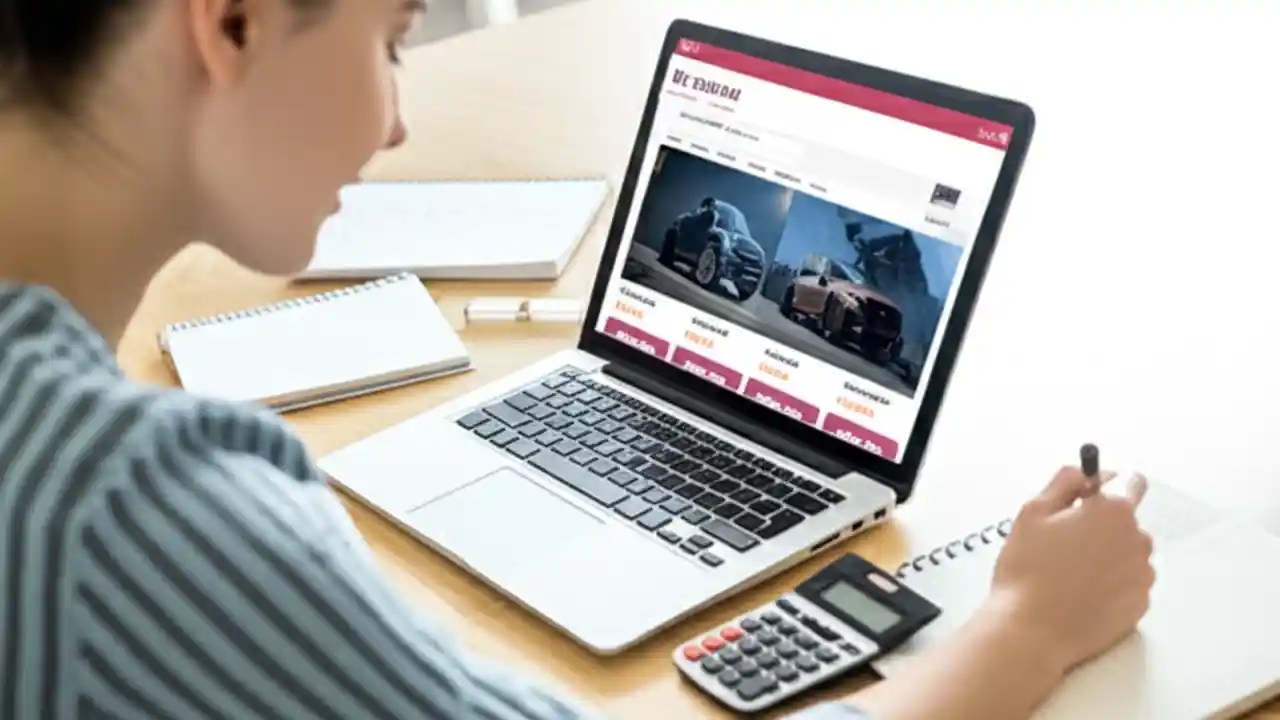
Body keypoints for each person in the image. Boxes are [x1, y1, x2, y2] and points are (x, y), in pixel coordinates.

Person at [0, 1, 1156, 718]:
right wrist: (1025, 631)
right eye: (392, 36)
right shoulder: (126, 505)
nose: (396, 119)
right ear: (234, 20)